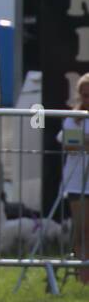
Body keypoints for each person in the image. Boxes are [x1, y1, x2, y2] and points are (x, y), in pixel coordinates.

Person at [59, 73, 89, 284]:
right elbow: (67, 142)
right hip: (77, 181)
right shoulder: (72, 118)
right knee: (81, 231)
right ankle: (83, 278)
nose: (87, 99)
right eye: (84, 95)